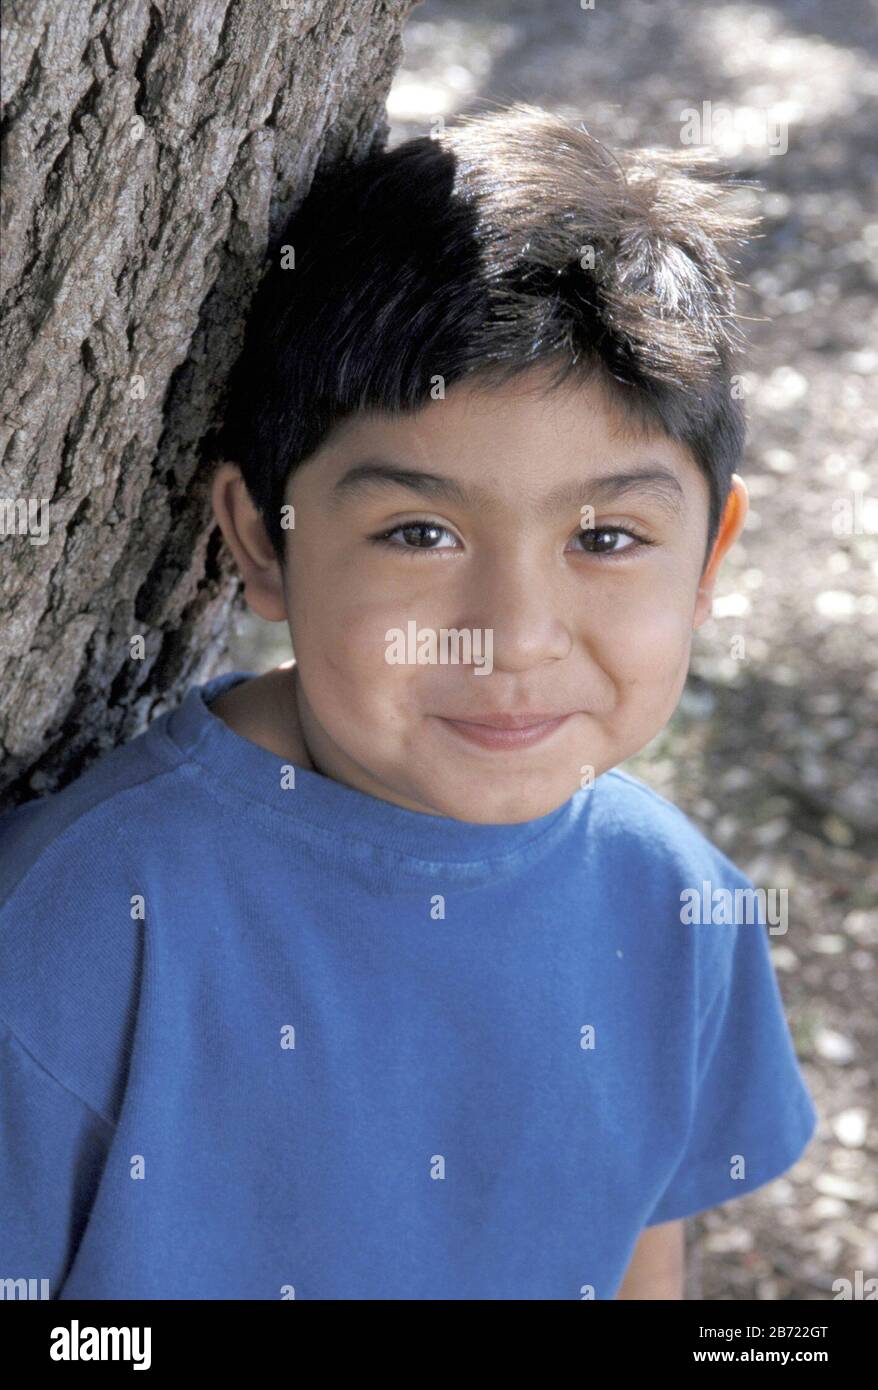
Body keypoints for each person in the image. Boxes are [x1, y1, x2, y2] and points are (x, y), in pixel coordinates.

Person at [0, 103, 817, 1300]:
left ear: (707, 559)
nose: (514, 634)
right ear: (258, 542)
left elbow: (644, 1257)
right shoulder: (77, 920)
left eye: (604, 535)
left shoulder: (681, 907)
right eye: (418, 530)